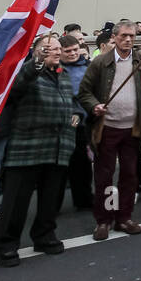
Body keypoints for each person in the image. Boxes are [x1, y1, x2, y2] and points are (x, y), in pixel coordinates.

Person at [0, 35, 78, 265]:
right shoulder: (26, 72)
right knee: (16, 202)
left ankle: (45, 236)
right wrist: (36, 61)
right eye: (50, 49)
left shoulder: (65, 75)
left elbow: (74, 102)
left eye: (59, 48)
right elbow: (16, 87)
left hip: (59, 147)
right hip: (28, 147)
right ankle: (7, 245)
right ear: (37, 52)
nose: (57, 52)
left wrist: (78, 114)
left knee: (50, 200)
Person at [77, 20, 141, 241]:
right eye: (124, 36)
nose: (128, 40)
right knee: (105, 176)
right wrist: (94, 105)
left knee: (129, 175)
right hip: (107, 128)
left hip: (133, 129)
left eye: (132, 36)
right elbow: (84, 91)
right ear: (114, 37)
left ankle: (124, 217)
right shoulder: (100, 63)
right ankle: (104, 220)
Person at [59, 33, 94, 211]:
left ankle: (84, 199)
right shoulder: (55, 68)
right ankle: (54, 204)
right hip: (64, 121)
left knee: (83, 163)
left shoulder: (88, 66)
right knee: (60, 167)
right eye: (68, 51)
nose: (73, 54)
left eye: (75, 50)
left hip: (86, 121)